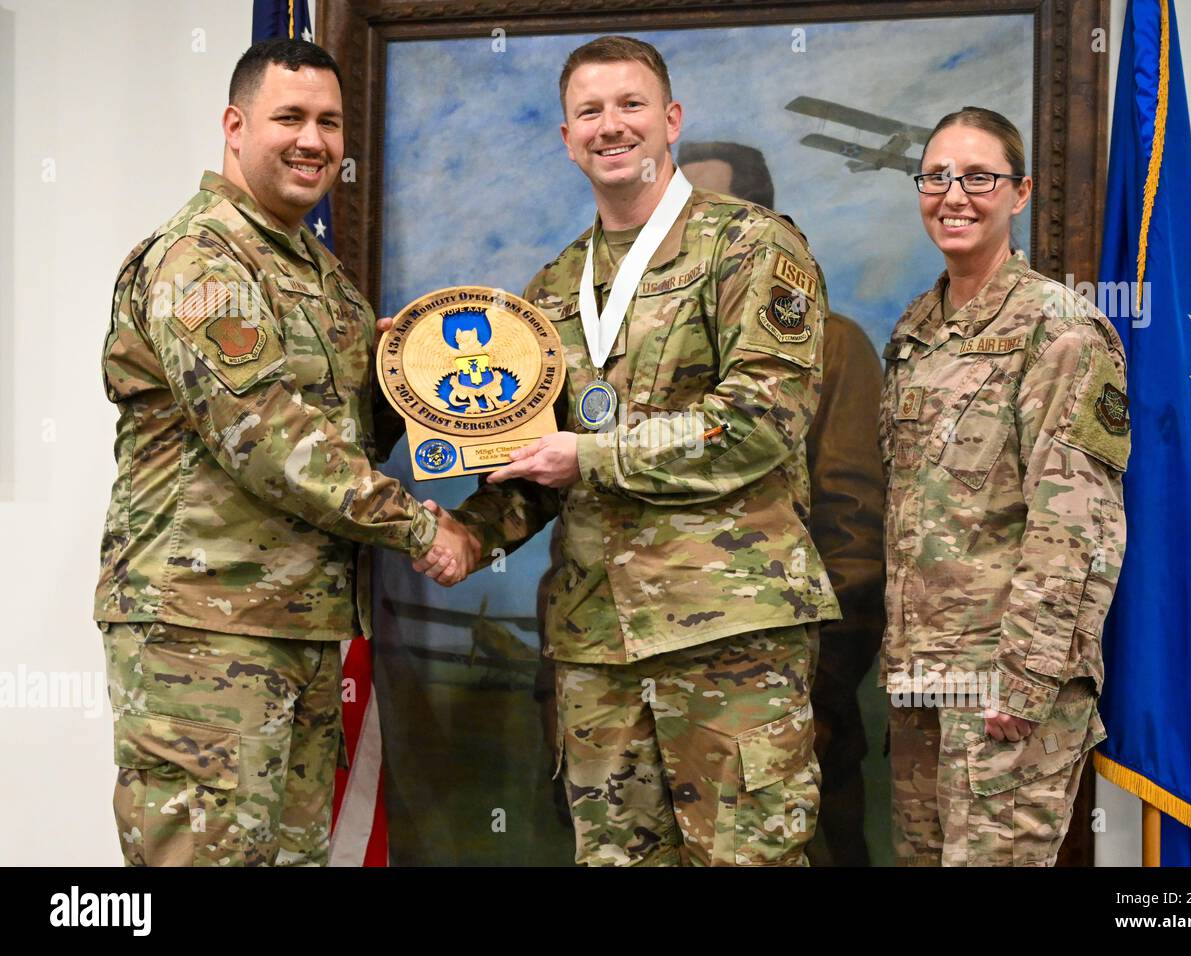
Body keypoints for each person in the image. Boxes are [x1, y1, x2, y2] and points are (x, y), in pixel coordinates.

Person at [413, 36, 841, 866]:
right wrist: (470, 535)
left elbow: (761, 420)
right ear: (567, 137)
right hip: (595, 649)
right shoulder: (548, 290)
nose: (612, 126)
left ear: (671, 119)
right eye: (590, 112)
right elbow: (531, 462)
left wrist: (594, 457)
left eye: (631, 105)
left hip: (728, 638)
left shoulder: (749, 247)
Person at [95, 38, 465, 867]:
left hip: (297, 627)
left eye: (329, 122)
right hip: (203, 630)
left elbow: (346, 436)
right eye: (289, 118)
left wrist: (427, 382)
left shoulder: (319, 275)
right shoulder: (205, 261)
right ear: (235, 126)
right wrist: (420, 528)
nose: (313, 141)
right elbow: (268, 440)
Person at [880, 106, 1130, 866]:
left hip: (1004, 690)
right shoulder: (917, 330)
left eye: (979, 178)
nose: (954, 196)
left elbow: (1077, 530)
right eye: (936, 178)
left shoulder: (1059, 332)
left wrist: (1022, 688)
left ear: (1019, 195)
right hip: (925, 683)